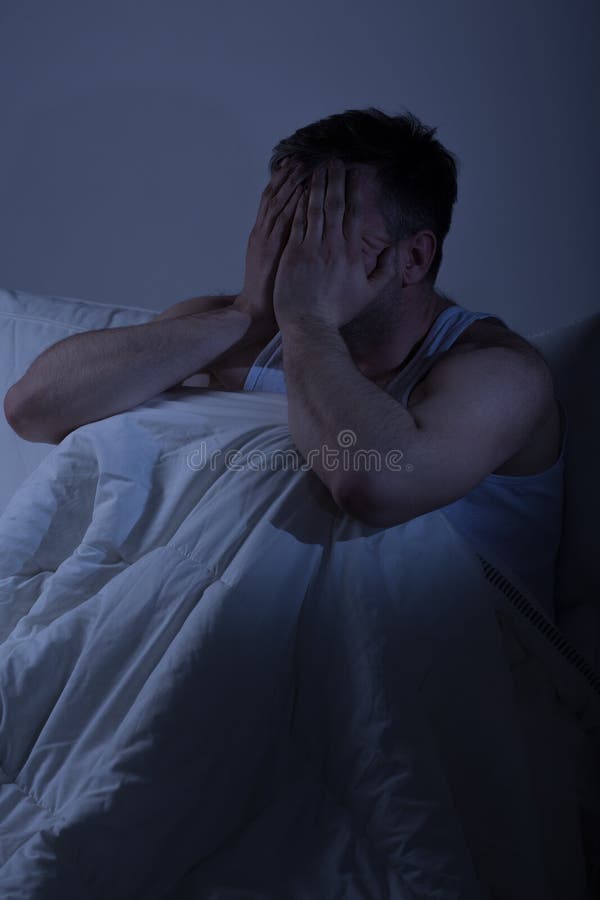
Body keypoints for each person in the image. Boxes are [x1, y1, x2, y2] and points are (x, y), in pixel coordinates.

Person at [3, 107, 566, 616]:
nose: (298, 255)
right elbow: (34, 408)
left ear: (413, 257)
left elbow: (371, 482)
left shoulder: (498, 374)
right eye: (285, 226)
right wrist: (246, 312)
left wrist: (308, 324)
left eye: (328, 233)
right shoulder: (235, 327)